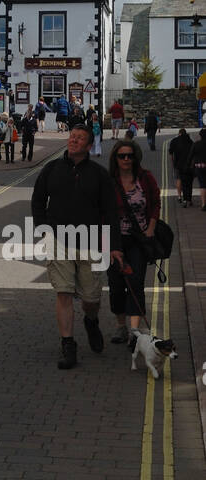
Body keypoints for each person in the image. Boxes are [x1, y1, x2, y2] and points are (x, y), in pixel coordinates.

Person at [31, 123, 122, 370]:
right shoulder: (51, 169)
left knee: (91, 297)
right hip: (58, 241)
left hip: (91, 241)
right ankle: (68, 345)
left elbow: (111, 213)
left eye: (80, 138)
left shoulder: (99, 174)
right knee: (64, 292)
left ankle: (91, 321)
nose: (74, 140)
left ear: (89, 146)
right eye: (72, 136)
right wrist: (43, 230)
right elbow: (38, 200)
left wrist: (114, 246)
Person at [107, 139, 160, 348]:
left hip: (138, 240)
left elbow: (155, 203)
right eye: (122, 156)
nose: (126, 159)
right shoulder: (109, 181)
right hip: (113, 241)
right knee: (116, 286)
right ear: (116, 158)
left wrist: (151, 229)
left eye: (130, 155)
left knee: (136, 283)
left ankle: (135, 331)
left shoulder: (145, 178)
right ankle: (121, 326)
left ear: (136, 157)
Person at [168, 127, 194, 206]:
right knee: (189, 183)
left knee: (179, 180)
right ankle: (189, 199)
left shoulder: (174, 141)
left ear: (179, 134)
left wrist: (173, 163)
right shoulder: (190, 141)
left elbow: (171, 153)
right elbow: (193, 153)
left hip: (178, 165)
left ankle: (180, 197)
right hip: (189, 165)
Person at [188, 128, 206, 211]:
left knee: (202, 185)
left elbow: (190, 156)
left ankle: (203, 204)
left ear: (200, 135)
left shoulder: (196, 144)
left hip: (199, 167)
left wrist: (189, 165)